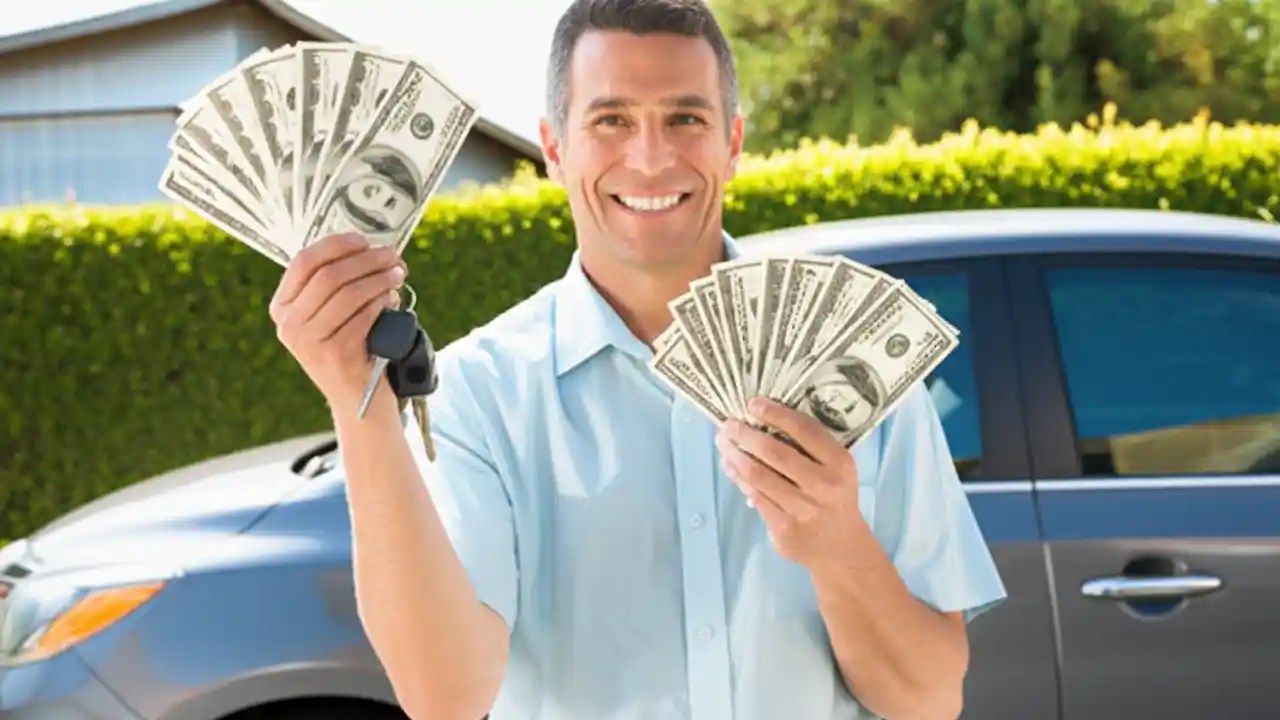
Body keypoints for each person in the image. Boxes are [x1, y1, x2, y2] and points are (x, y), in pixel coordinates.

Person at [266, 1, 1007, 718]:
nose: (650, 159)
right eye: (611, 120)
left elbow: (930, 702)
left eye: (685, 118)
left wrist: (838, 545)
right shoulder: (481, 397)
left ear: (734, 143)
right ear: (555, 148)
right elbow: (447, 700)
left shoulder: (857, 365)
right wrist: (355, 400)